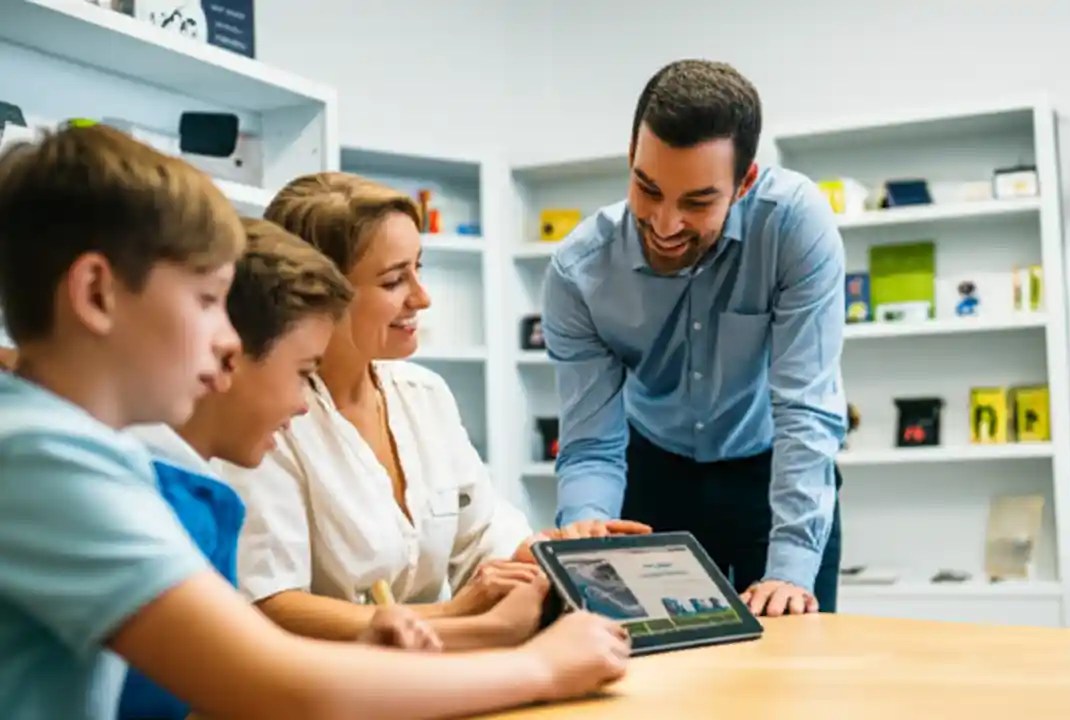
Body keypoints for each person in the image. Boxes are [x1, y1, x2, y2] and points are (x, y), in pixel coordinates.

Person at [0, 124, 628, 720]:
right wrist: (542, 665)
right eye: (208, 302)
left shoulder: (69, 452)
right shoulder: (42, 464)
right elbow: (284, 686)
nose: (229, 342)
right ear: (97, 295)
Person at [221, 172, 649, 647]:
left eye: (418, 269)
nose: (422, 298)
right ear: (319, 292)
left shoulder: (424, 394)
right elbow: (269, 603)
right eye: (393, 281)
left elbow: (485, 537)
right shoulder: (272, 419)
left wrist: (559, 552)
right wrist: (450, 613)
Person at [543, 59, 847, 617]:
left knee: (793, 682)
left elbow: (807, 407)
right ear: (631, 157)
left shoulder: (793, 224)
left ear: (745, 181)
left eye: (697, 202)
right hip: (652, 474)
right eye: (647, 187)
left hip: (772, 474)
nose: (663, 224)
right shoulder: (579, 272)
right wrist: (585, 528)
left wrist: (788, 572)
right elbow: (590, 440)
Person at [118, 217, 445, 720]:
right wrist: (541, 664)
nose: (302, 405)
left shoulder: (199, 493)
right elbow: (271, 684)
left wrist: (363, 644)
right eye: (304, 374)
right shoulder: (148, 497)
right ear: (229, 356)